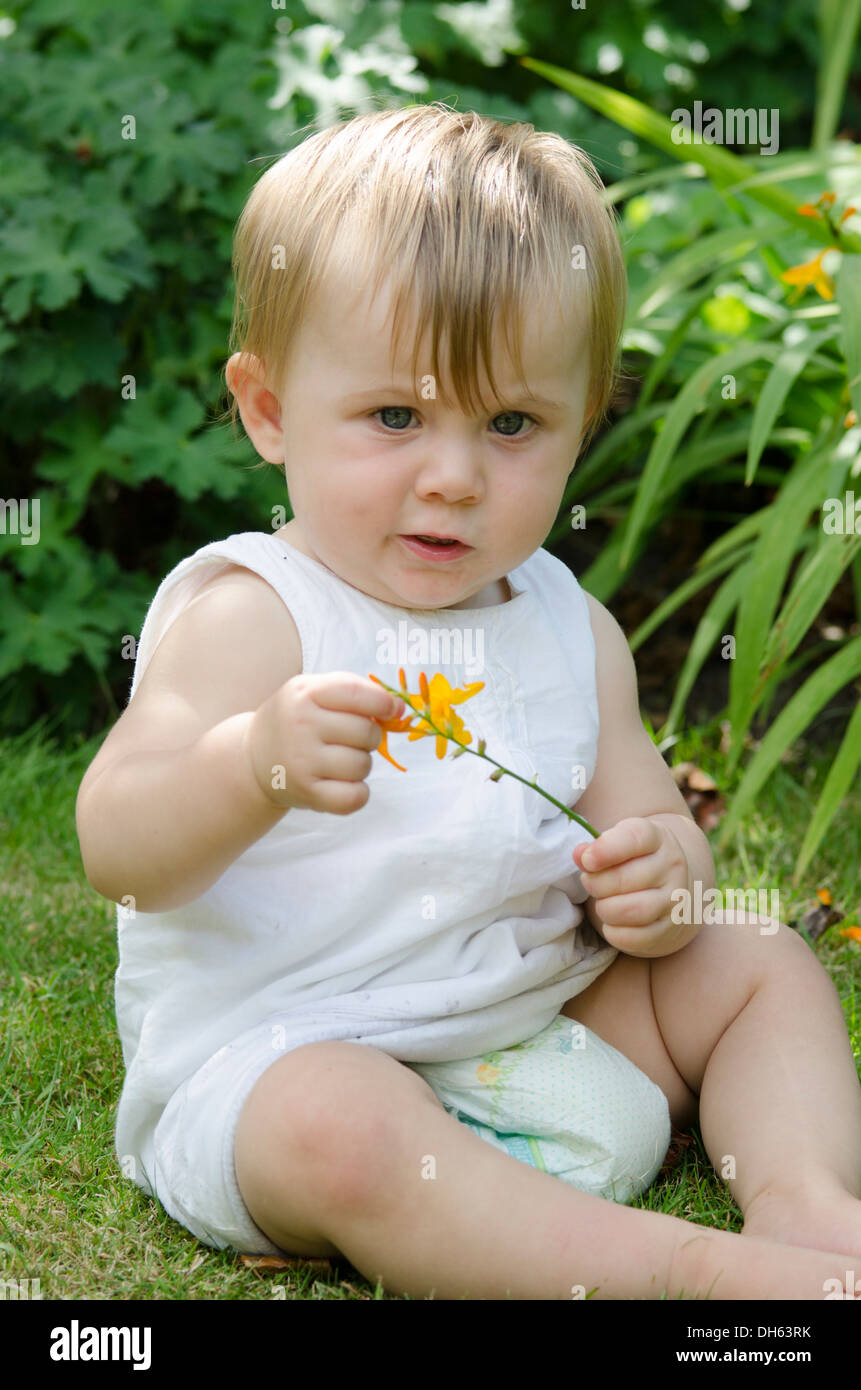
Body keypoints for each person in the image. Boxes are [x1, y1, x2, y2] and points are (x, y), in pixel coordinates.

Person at [76, 102, 861, 1300]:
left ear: (581, 420)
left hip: (538, 1039)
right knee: (335, 1122)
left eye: (511, 424)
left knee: (753, 957)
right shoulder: (258, 611)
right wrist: (251, 764)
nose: (452, 475)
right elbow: (118, 847)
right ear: (270, 408)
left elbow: (652, 836)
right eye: (395, 416)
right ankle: (689, 1275)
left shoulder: (565, 625)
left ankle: (809, 1204)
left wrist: (661, 877)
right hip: (297, 1060)